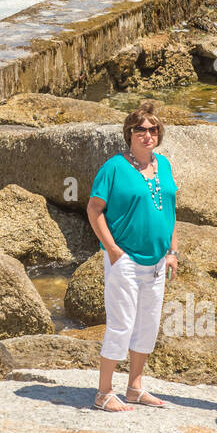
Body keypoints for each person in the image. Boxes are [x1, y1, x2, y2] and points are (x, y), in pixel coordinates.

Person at [86, 102, 178, 412]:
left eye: (153, 130)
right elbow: (94, 210)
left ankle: (135, 387)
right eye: (141, 130)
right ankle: (103, 392)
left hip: (157, 261)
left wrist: (172, 251)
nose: (148, 135)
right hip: (124, 260)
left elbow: (170, 210)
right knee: (121, 324)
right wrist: (112, 250)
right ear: (130, 133)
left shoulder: (162, 165)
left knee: (148, 324)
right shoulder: (113, 167)